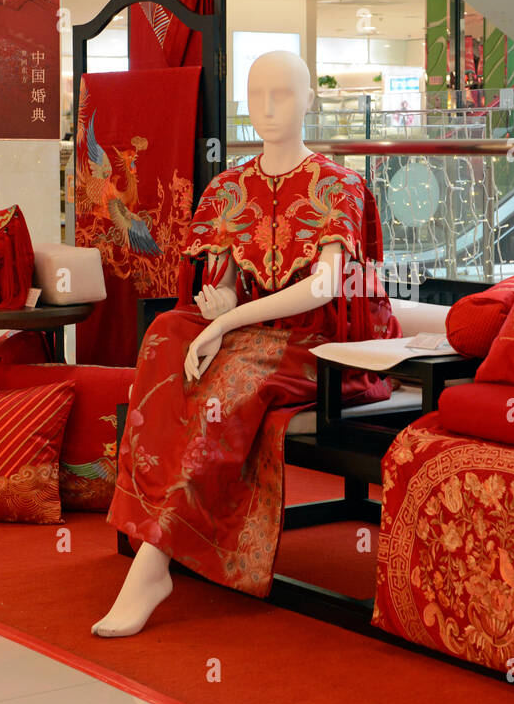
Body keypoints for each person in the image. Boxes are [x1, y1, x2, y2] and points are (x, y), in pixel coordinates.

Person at [93, 50, 399, 638]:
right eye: (257, 95)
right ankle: (153, 525)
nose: (267, 108)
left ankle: (154, 563)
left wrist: (225, 326)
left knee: (229, 380)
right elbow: (228, 283)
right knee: (163, 337)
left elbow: (325, 286)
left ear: (310, 98)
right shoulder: (230, 187)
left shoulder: (340, 185)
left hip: (315, 342)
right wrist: (221, 309)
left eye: (283, 93)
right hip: (250, 329)